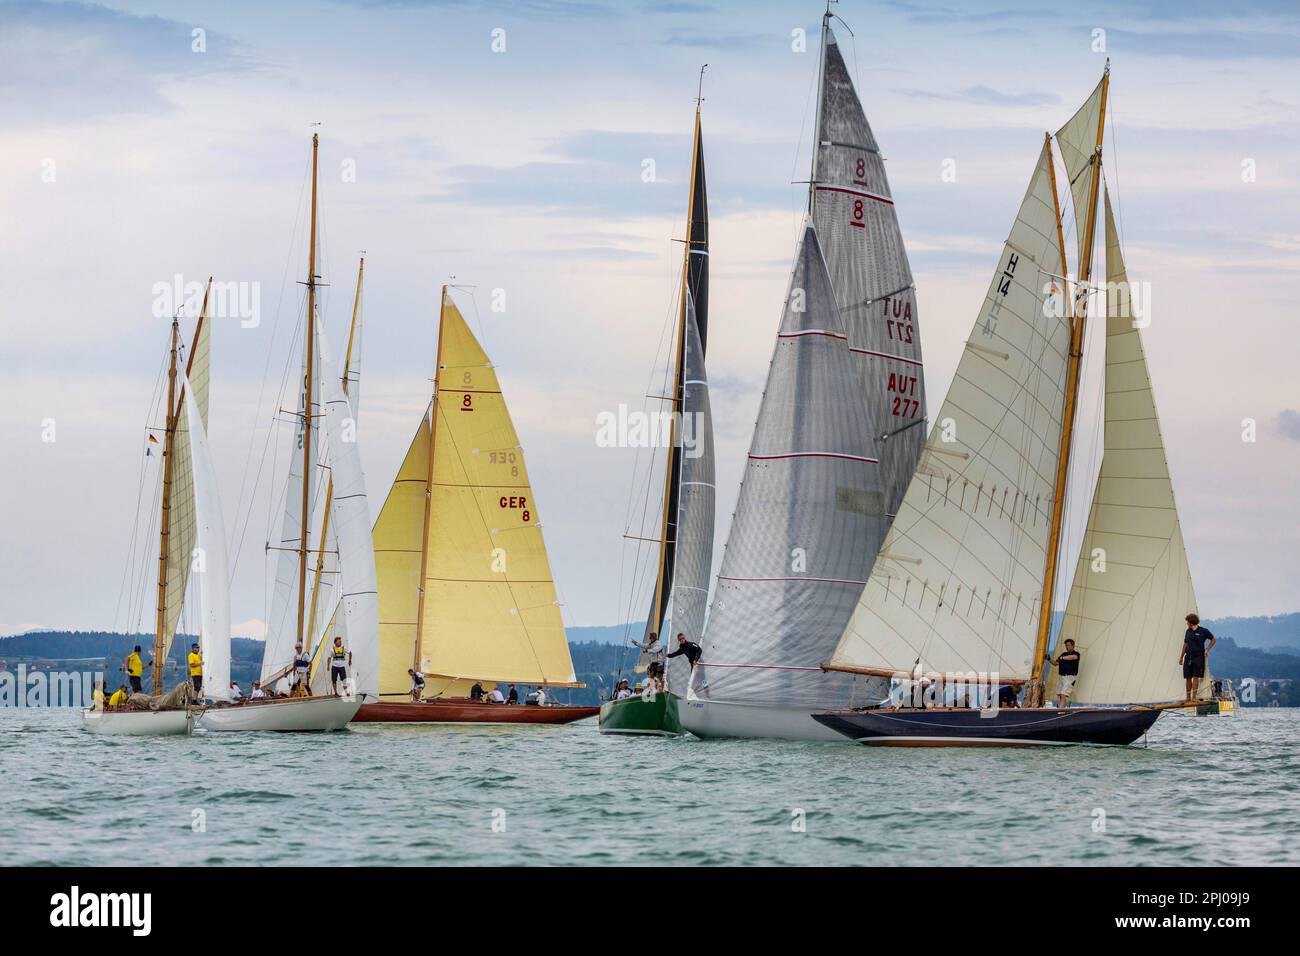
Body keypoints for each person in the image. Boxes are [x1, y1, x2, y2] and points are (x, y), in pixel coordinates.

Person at [1180, 613, 1217, 702]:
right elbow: (1185, 644)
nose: (1187, 624)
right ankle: (1188, 698)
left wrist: (1207, 649)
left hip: (1199, 657)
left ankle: (1194, 697)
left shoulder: (1203, 631)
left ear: (1191, 622)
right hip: (1188, 656)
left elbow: (1213, 639)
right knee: (1188, 677)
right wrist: (1181, 657)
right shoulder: (1187, 631)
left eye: (1187, 622)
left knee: (1196, 677)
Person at [1047, 639, 1081, 708]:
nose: (1067, 647)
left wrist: (1062, 658)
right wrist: (1049, 659)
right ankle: (1060, 708)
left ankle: (1060, 709)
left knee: (1063, 694)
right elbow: (1055, 663)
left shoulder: (1076, 654)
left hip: (1069, 677)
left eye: (1068, 645)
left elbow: (1073, 657)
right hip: (1062, 677)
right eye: (1066, 645)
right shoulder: (1063, 654)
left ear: (1073, 646)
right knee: (1059, 694)